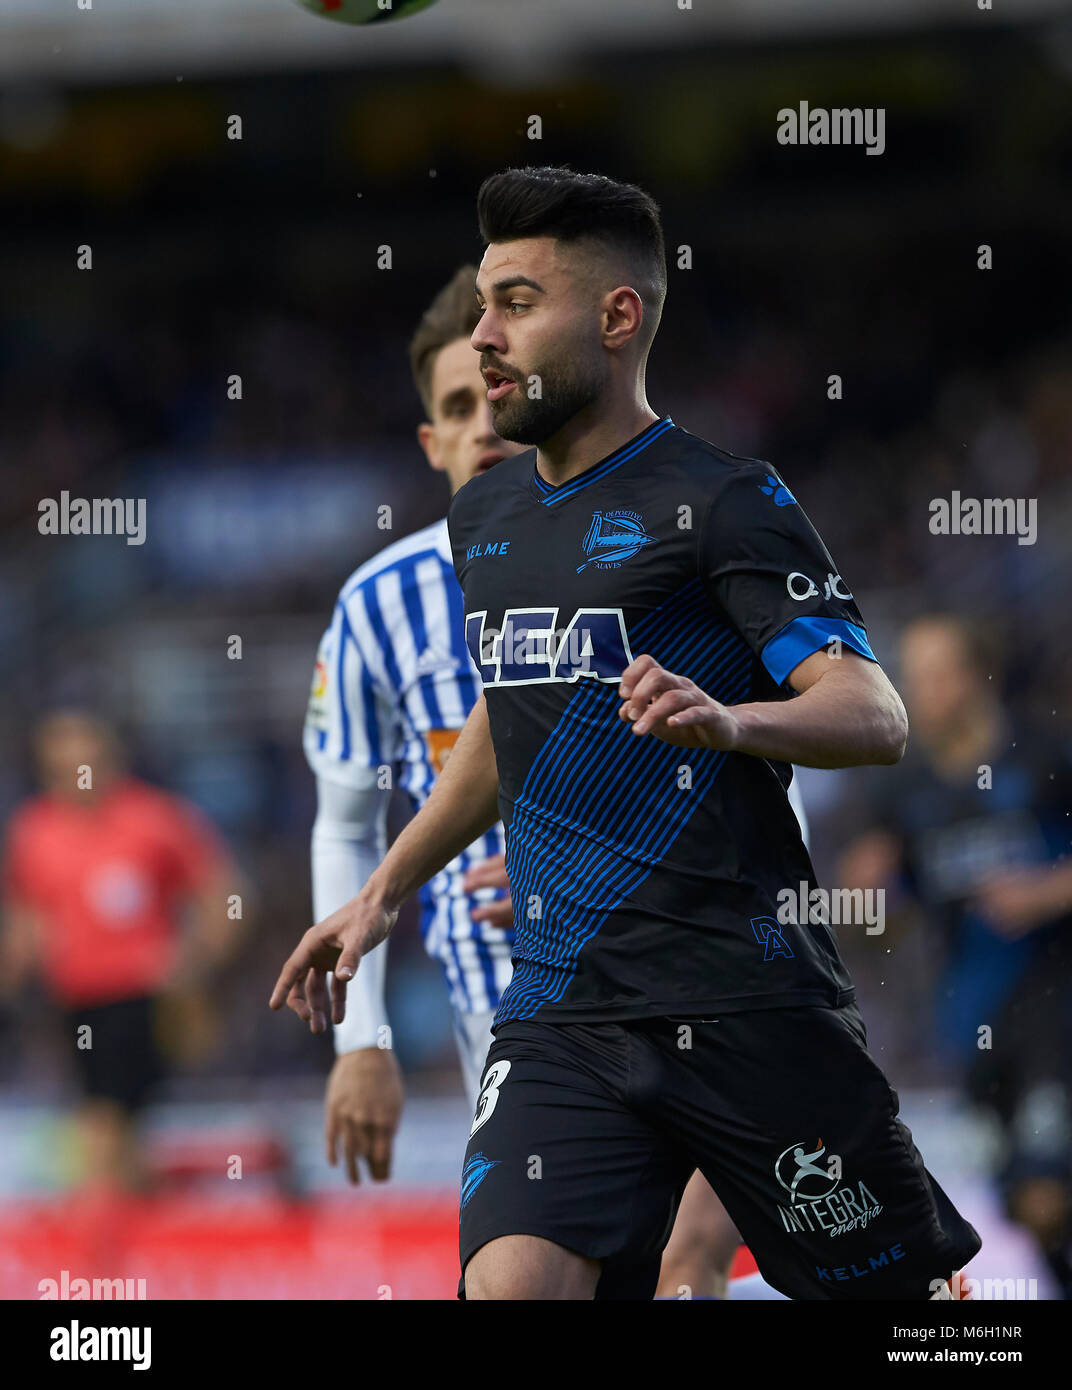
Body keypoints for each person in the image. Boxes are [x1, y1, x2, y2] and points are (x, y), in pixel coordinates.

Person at [272, 165, 980, 1300]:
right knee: (512, 1286)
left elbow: (874, 711)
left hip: (742, 999)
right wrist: (381, 892)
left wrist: (730, 716)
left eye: (514, 304)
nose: (485, 335)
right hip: (563, 1007)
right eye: (481, 306)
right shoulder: (486, 515)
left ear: (616, 316)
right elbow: (509, 736)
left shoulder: (723, 497)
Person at [305, 267, 524, 1185]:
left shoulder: (661, 556)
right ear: (433, 441)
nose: (485, 422)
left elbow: (767, 783)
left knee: (688, 1258)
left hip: (688, 989)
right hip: (507, 1031)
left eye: (501, 393)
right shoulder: (377, 607)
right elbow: (346, 826)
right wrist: (361, 1040)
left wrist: (614, 859)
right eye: (458, 405)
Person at [839, 614, 1072, 1297]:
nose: (922, 690)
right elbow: (879, 930)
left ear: (978, 675)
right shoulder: (901, 793)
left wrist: (1048, 889)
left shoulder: (1047, 756)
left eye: (938, 673)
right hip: (971, 1024)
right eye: (912, 676)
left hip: (1056, 1010)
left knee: (1044, 1189)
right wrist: (866, 902)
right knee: (1026, 1208)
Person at [1, 710, 244, 1191]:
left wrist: (194, 962)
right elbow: (26, 921)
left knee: (108, 1120)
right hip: (75, 1003)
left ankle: (104, 1236)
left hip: (143, 998)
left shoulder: (154, 820)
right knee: (112, 1124)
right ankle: (129, 1228)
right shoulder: (35, 832)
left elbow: (223, 895)